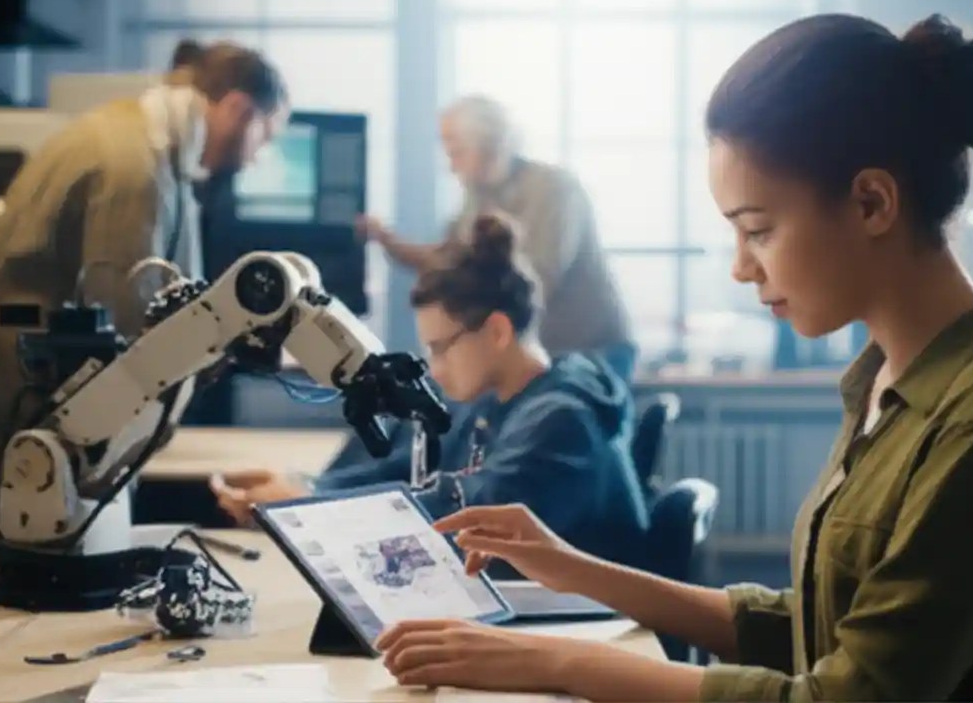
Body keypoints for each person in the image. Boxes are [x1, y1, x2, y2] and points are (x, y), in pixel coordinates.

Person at [373, 13, 973, 701]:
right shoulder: (890, 379)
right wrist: (573, 570)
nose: (741, 267)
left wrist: (553, 662)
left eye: (758, 230)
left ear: (872, 204)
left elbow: (847, 694)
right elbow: (818, 628)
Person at [0, 43, 288, 513]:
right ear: (237, 109)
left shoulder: (142, 141)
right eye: (265, 137)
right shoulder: (132, 169)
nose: (255, 158)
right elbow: (132, 345)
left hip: (10, 439)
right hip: (10, 454)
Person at [211, 214, 650, 574]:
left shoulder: (562, 420)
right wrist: (304, 487)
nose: (433, 368)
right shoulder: (494, 400)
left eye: (441, 348)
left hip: (586, 629)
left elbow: (465, 512)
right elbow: (409, 468)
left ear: (497, 331)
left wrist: (307, 508)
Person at [358, 96, 638, 382]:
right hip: (538, 353)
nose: (451, 167)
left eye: (456, 153)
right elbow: (448, 261)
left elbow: (536, 280)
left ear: (488, 145)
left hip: (590, 349)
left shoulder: (554, 189)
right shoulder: (478, 195)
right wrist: (386, 240)